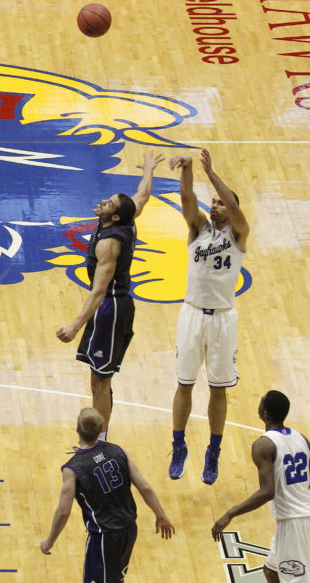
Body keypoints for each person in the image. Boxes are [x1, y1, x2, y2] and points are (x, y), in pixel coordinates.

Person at [56, 151, 163, 440]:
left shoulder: (109, 245)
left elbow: (99, 290)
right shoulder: (127, 218)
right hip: (111, 307)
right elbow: (142, 196)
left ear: (114, 217)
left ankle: (99, 444)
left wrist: (74, 327)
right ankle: (101, 438)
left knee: (100, 381)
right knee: (99, 378)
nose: (103, 202)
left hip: (111, 308)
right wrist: (148, 170)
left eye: (109, 204)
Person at [167, 148, 248, 484]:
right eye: (211, 201)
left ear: (231, 208)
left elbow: (234, 207)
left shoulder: (239, 234)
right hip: (192, 314)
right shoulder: (198, 228)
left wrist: (212, 173)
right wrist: (188, 169)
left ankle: (212, 452)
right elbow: (187, 199)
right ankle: (179, 445)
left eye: (219, 202)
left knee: (218, 390)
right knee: (184, 384)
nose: (214, 205)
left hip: (223, 320)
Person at [41, 408, 175, 581]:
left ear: (77, 429)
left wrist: (50, 541)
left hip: (104, 537)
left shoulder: (72, 468)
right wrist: (160, 515)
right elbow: (145, 487)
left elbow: (63, 511)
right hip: (129, 529)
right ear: (100, 429)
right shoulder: (118, 451)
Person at [212, 391, 310, 583]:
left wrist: (230, 513)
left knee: (296, 580)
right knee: (271, 572)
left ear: (265, 414)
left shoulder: (263, 445)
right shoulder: (302, 438)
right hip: (299, 516)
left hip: (294, 522)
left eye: (260, 403)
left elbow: (267, 492)